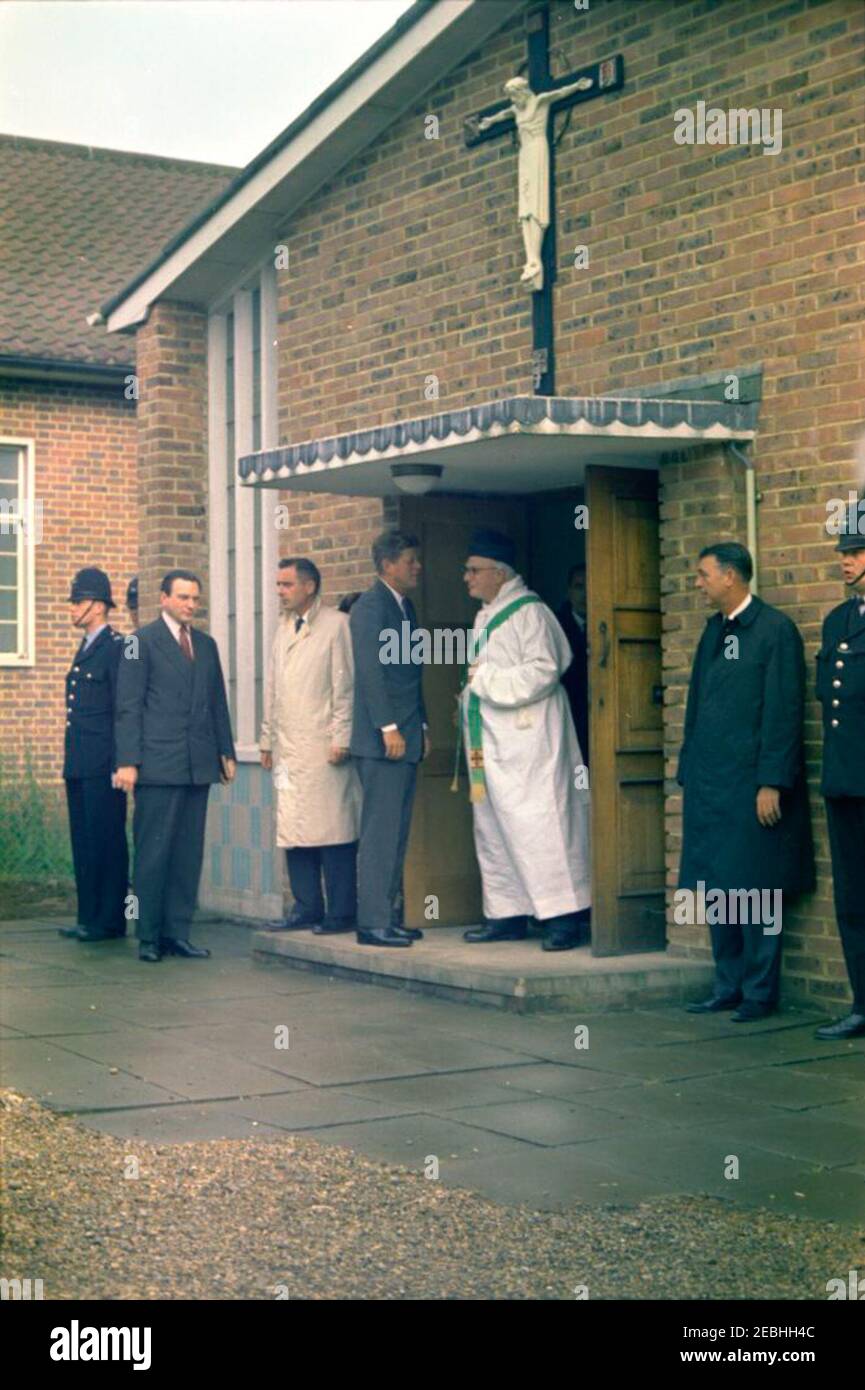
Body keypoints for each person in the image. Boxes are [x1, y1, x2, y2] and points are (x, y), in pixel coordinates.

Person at [679, 543, 814, 1021]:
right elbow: (698, 704)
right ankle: (727, 983)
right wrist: (688, 770)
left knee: (756, 888)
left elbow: (783, 712)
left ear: (731, 576)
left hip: (752, 785)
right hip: (712, 782)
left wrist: (771, 782)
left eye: (703, 574)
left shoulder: (775, 631)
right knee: (719, 888)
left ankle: (759, 992)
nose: (698, 583)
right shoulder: (714, 631)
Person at [459, 529, 591, 952]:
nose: (466, 577)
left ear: (499, 573)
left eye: (474, 570)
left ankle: (564, 917)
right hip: (493, 742)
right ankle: (506, 913)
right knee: (494, 827)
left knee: (542, 826)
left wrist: (486, 681)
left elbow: (545, 668)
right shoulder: (487, 612)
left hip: (532, 742)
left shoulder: (529, 612)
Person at [114, 570, 236, 962]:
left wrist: (226, 751)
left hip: (197, 764)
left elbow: (217, 701)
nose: (190, 604)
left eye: (195, 598)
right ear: (163, 598)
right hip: (157, 766)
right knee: (153, 853)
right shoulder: (137, 643)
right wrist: (128, 761)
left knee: (187, 853)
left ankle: (177, 932)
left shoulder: (206, 644)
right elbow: (128, 706)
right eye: (182, 597)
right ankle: (148, 937)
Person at [259, 558, 360, 934]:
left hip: (322, 746)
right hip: (287, 749)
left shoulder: (337, 626)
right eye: (279, 584)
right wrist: (267, 738)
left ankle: (341, 912)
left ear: (310, 586)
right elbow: (272, 688)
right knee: (293, 829)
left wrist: (342, 737)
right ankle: (306, 907)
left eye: (287, 584)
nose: (280, 591)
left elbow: (344, 687)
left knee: (333, 830)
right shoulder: (283, 628)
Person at [349, 530, 429, 947]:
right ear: (387, 565)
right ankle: (372, 923)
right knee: (380, 834)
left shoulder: (405, 607)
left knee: (397, 832)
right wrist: (388, 727)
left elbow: (412, 675)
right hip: (383, 742)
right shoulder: (369, 607)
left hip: (408, 736)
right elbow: (370, 672)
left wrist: (423, 726)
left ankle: (389, 915)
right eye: (410, 560)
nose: (417, 567)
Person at [58, 567, 129, 943]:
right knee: (84, 840)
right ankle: (88, 917)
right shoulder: (86, 647)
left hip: (104, 764)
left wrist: (122, 761)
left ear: (98, 606)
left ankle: (109, 920)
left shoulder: (117, 647)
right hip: (80, 762)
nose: (72, 609)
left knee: (106, 840)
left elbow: (123, 709)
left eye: (79, 602)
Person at [814, 521, 865, 1040]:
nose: (845, 559)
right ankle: (862, 1003)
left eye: (856, 551)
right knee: (853, 897)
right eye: (843, 551)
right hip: (846, 782)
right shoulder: (839, 620)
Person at [556, 562, 589, 766]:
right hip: (568, 717)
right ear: (569, 591)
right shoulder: (556, 625)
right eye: (579, 587)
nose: (585, 594)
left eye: (589, 586)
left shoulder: (607, 623)